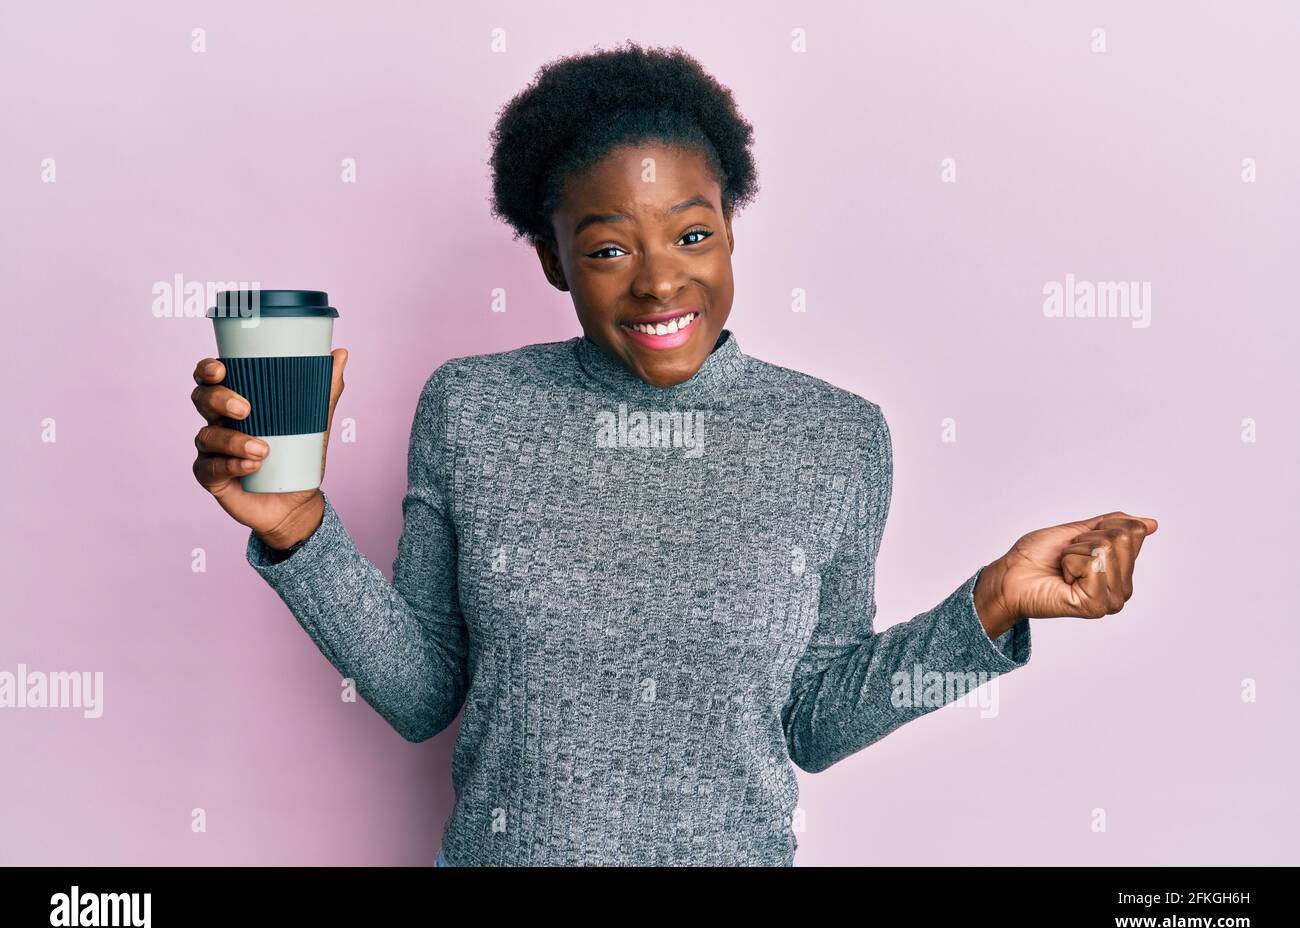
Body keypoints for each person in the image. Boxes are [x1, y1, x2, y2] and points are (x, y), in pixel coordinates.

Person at [189, 41, 1157, 867]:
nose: (660, 281)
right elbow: (419, 693)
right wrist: (297, 530)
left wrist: (987, 606)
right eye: (608, 248)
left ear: (730, 228)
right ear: (551, 259)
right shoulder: (473, 409)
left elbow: (813, 721)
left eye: (692, 233)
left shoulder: (835, 438)